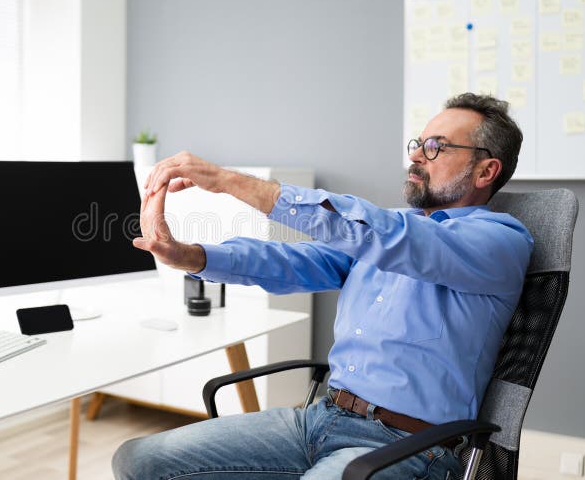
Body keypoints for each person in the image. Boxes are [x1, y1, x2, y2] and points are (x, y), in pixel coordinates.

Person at [113, 93, 533, 480]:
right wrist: (192, 257)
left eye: (436, 146)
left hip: (411, 447)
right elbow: (295, 261)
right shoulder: (387, 232)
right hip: (320, 419)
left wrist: (227, 181)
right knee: (138, 459)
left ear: (486, 169)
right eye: (417, 144)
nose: (417, 157)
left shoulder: (498, 242)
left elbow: (391, 238)